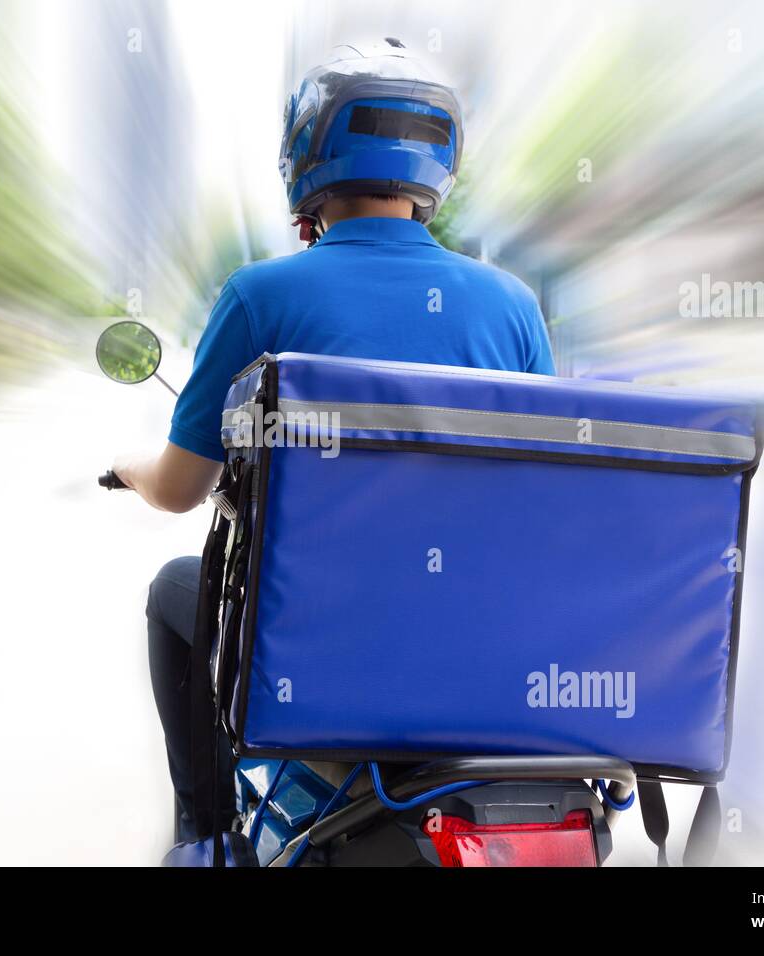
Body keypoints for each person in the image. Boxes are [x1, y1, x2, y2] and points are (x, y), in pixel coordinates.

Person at [110, 39, 556, 844]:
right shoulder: (512, 306)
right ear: (437, 167)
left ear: (306, 156)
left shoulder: (261, 295)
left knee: (174, 587)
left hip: (320, 654)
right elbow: (536, 491)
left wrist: (130, 469)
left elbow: (179, 489)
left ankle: (203, 830)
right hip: (486, 657)